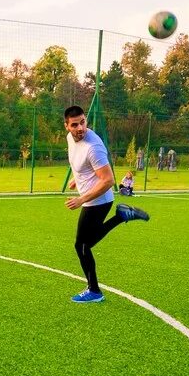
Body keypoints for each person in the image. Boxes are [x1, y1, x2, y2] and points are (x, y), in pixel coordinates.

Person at [64, 105, 147, 303]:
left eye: (83, 122)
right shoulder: (71, 138)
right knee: (86, 244)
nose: (80, 128)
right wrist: (78, 178)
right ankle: (122, 216)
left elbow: (108, 180)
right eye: (75, 124)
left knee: (82, 246)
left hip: (98, 201)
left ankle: (94, 291)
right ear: (67, 126)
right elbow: (81, 163)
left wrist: (82, 198)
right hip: (91, 198)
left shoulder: (94, 147)